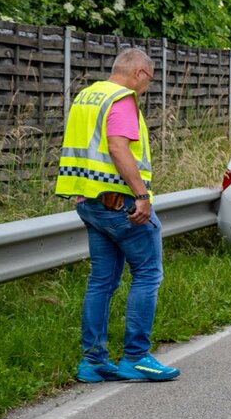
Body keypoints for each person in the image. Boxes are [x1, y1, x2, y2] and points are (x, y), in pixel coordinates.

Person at [55, 48, 178, 383]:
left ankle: (93, 361)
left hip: (89, 202)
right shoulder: (122, 99)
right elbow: (117, 146)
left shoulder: (87, 96)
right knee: (148, 275)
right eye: (149, 80)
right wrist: (141, 195)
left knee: (102, 281)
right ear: (139, 72)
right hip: (121, 205)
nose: (147, 87)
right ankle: (136, 357)